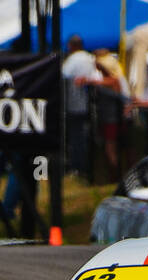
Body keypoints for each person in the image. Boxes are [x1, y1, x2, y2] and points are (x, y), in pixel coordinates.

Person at [77, 51, 129, 177]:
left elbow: (115, 86)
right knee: (109, 147)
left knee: (114, 148)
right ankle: (113, 173)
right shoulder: (101, 80)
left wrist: (91, 82)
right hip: (106, 118)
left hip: (115, 119)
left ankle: (116, 174)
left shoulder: (115, 80)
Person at [61, 35, 99, 176]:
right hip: (87, 105)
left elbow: (63, 74)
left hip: (74, 105)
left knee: (75, 138)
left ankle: (76, 167)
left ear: (71, 46)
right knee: (83, 137)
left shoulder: (74, 59)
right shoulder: (89, 58)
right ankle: (83, 168)